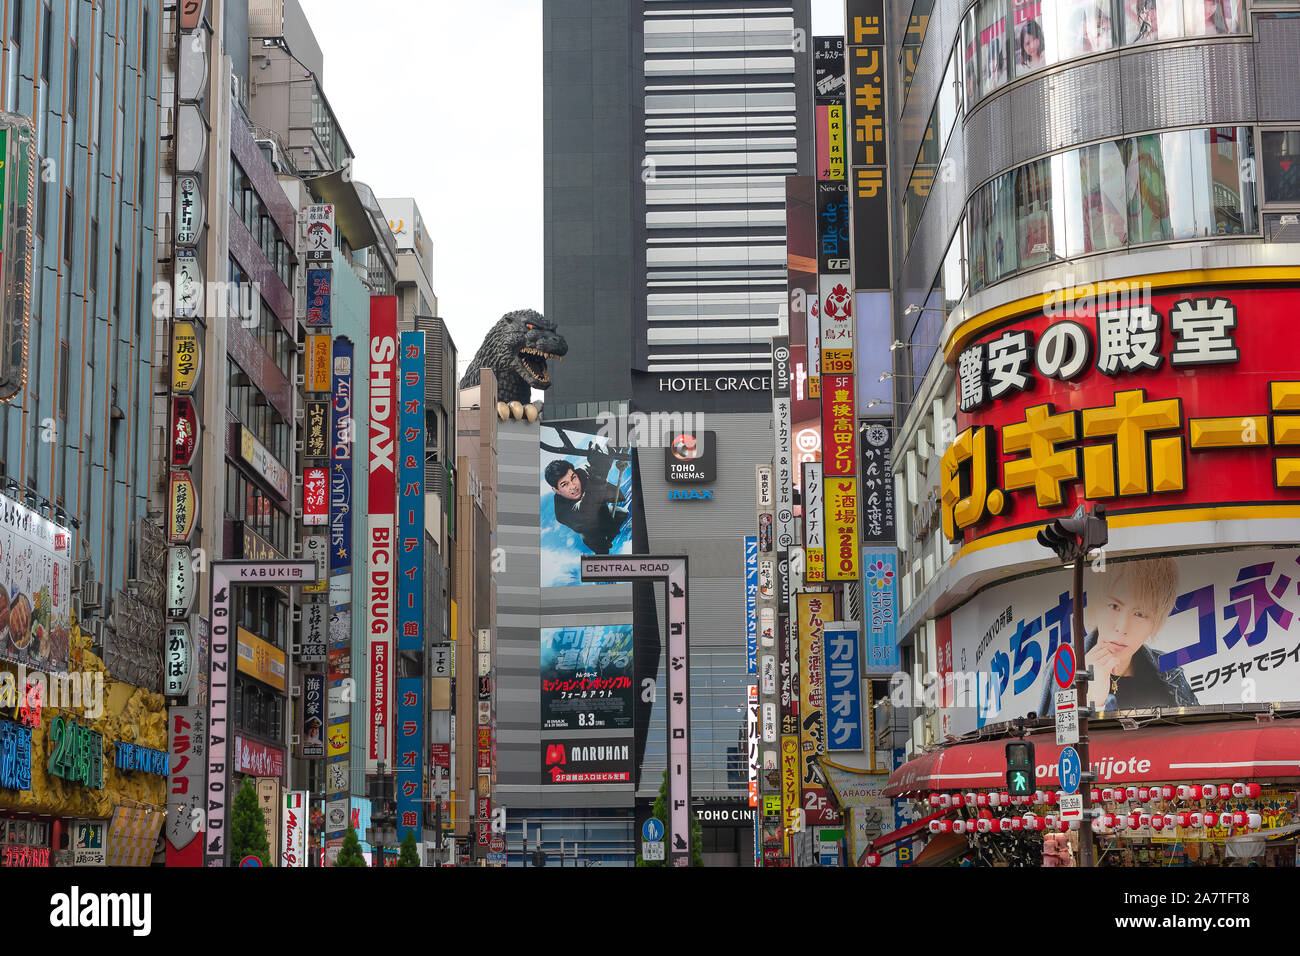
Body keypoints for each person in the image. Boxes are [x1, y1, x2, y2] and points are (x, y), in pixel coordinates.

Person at [544, 443, 630, 555]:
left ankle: (610, 535)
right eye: (564, 484)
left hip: (602, 511)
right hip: (590, 531)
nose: (573, 486)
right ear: (556, 490)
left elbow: (598, 460)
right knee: (602, 548)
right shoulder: (563, 513)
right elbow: (586, 510)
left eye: (573, 478)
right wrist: (599, 474)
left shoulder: (582, 473)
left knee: (622, 513)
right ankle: (604, 547)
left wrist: (611, 446)